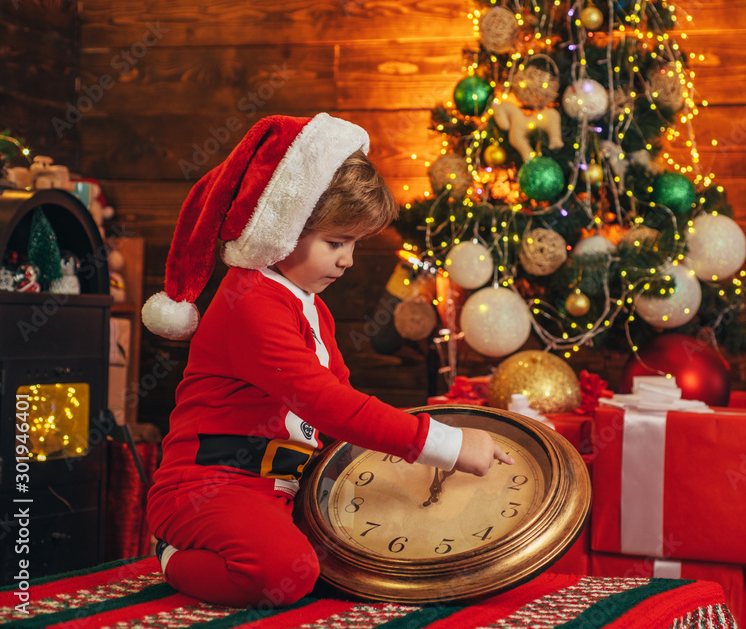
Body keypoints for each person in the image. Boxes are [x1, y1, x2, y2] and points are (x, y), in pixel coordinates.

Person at [141, 114, 512, 608]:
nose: (347, 261)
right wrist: (445, 444)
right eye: (335, 243)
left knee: (368, 557)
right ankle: (172, 555)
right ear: (283, 228)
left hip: (288, 485)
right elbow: (325, 403)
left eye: (354, 245)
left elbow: (343, 399)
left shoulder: (308, 303)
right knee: (282, 576)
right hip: (211, 483)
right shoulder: (250, 301)